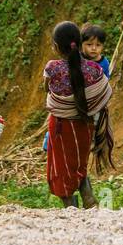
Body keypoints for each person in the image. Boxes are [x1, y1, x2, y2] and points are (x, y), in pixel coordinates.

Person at [44, 20, 114, 207]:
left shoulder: (52, 68)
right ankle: (89, 199)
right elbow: (104, 93)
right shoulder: (95, 69)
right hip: (85, 125)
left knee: (60, 166)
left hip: (61, 126)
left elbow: (47, 90)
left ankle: (70, 205)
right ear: (80, 43)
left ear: (57, 46)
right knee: (79, 163)